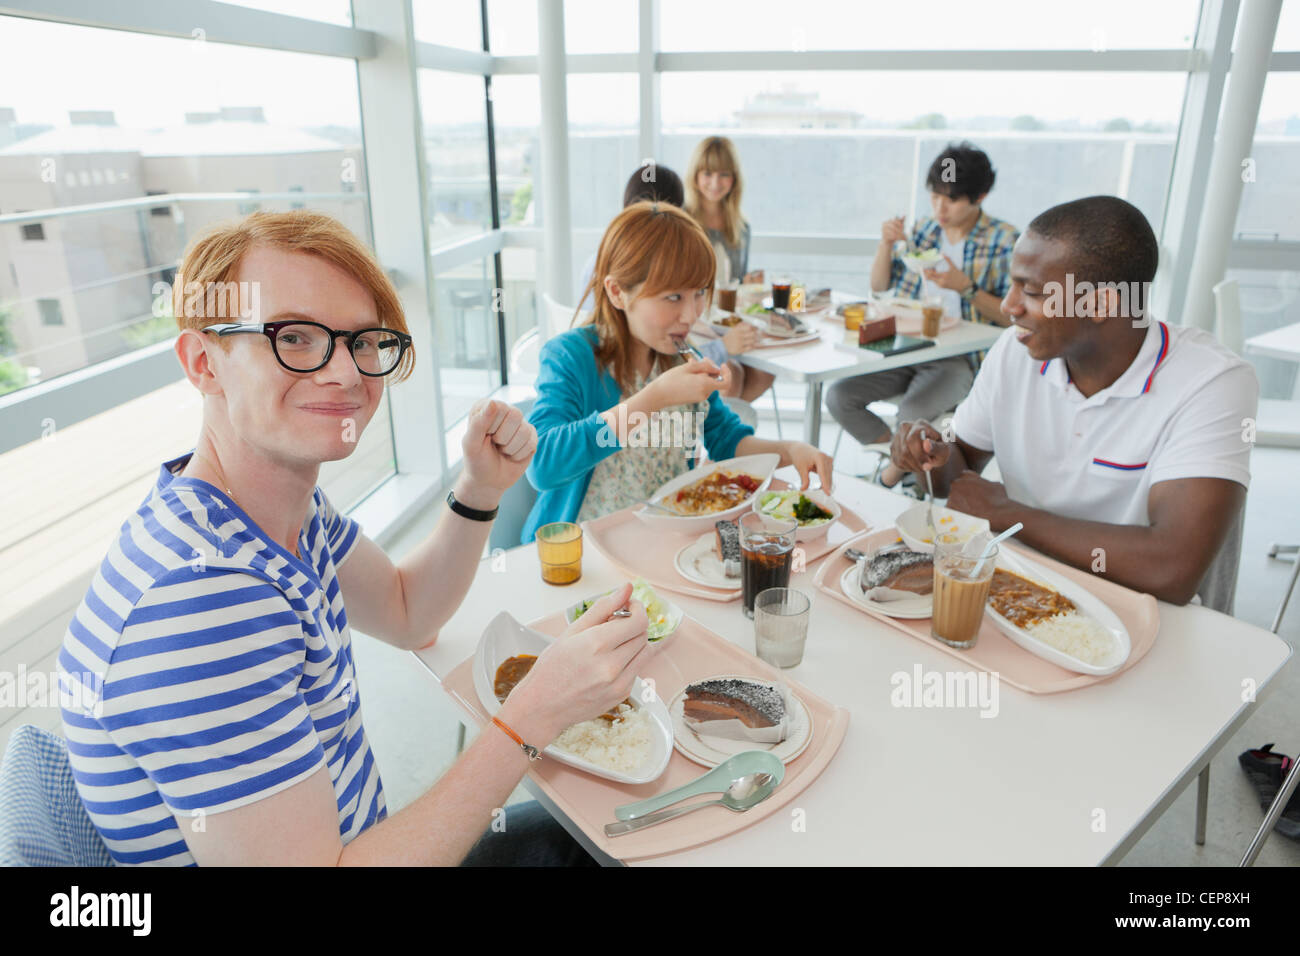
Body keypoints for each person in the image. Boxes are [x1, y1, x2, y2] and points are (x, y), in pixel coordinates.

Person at [57, 210, 659, 866]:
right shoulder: (202, 601)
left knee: (616, 834)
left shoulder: (272, 513)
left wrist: (481, 488)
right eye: (294, 337)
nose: (346, 373)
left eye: (365, 341)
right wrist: (531, 718)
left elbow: (409, 614)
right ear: (204, 361)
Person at [889, 196, 1258, 606]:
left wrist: (1007, 513)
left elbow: (1170, 568)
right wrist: (932, 453)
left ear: (1100, 303)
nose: (1009, 307)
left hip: (1145, 617)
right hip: (1022, 591)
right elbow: (959, 473)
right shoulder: (1017, 351)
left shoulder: (1212, 381)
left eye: (1029, 291)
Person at [522, 201, 833, 543]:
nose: (691, 315)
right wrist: (655, 398)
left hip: (668, 540)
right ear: (617, 292)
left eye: (699, 293)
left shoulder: (683, 356)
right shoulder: (571, 356)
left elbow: (726, 440)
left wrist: (791, 450)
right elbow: (542, 465)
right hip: (585, 551)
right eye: (672, 297)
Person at [827, 142, 1018, 489]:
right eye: (934, 197)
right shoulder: (925, 231)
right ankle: (902, 470)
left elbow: (1014, 318)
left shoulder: (1005, 241)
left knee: (909, 417)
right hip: (909, 350)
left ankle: (886, 481)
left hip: (960, 360)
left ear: (980, 196)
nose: (939, 208)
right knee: (839, 396)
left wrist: (967, 289)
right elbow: (881, 286)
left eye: (952, 199)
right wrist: (886, 244)